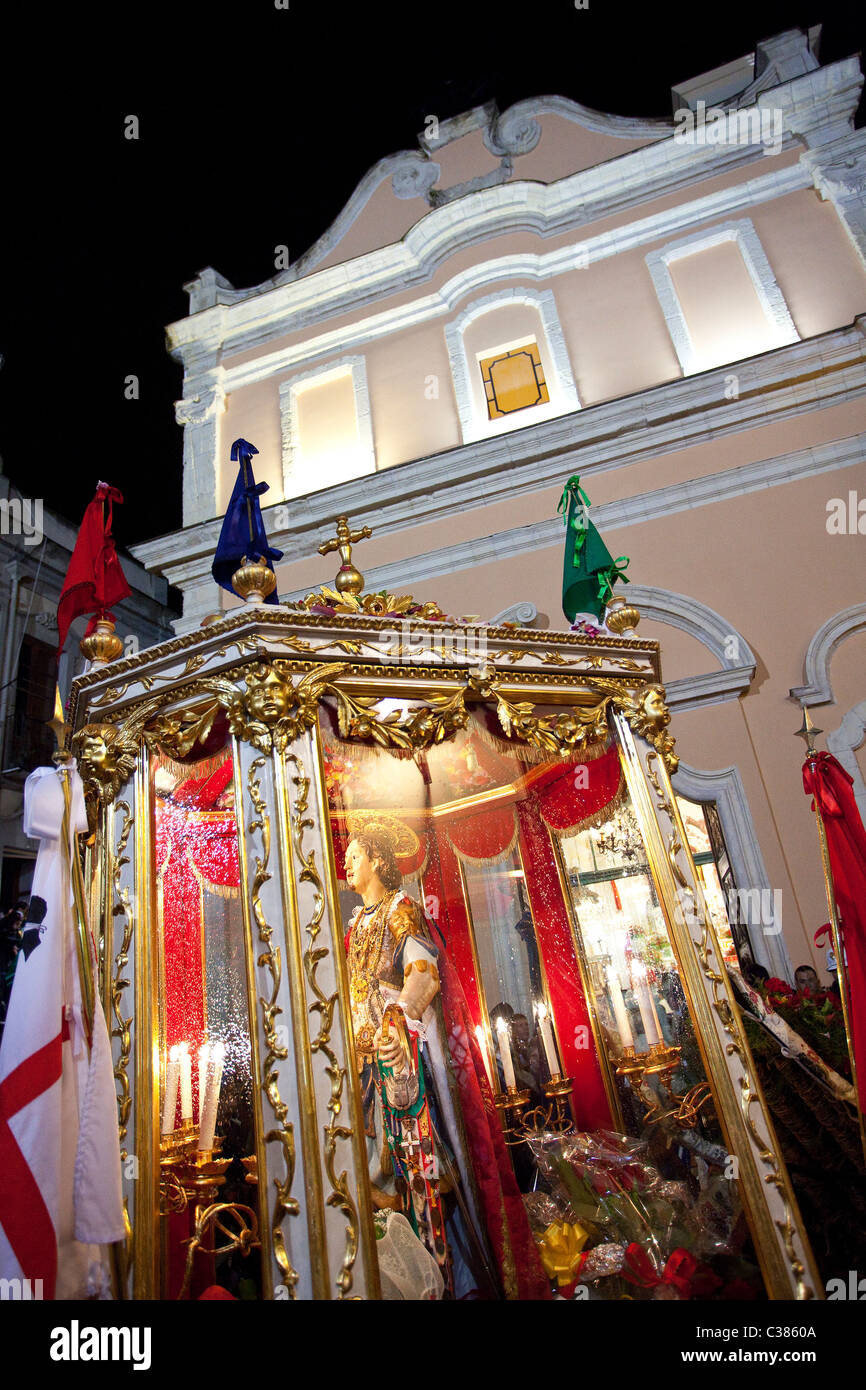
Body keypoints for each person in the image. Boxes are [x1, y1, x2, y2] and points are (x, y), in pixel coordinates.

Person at [342, 821, 550, 1300]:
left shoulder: (401, 908)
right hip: (367, 1068)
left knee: (423, 1176)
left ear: (376, 858)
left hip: (404, 1061)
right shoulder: (355, 924)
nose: (347, 864)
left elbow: (422, 973)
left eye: (354, 855)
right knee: (375, 1174)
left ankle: (445, 1281)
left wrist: (399, 1018)